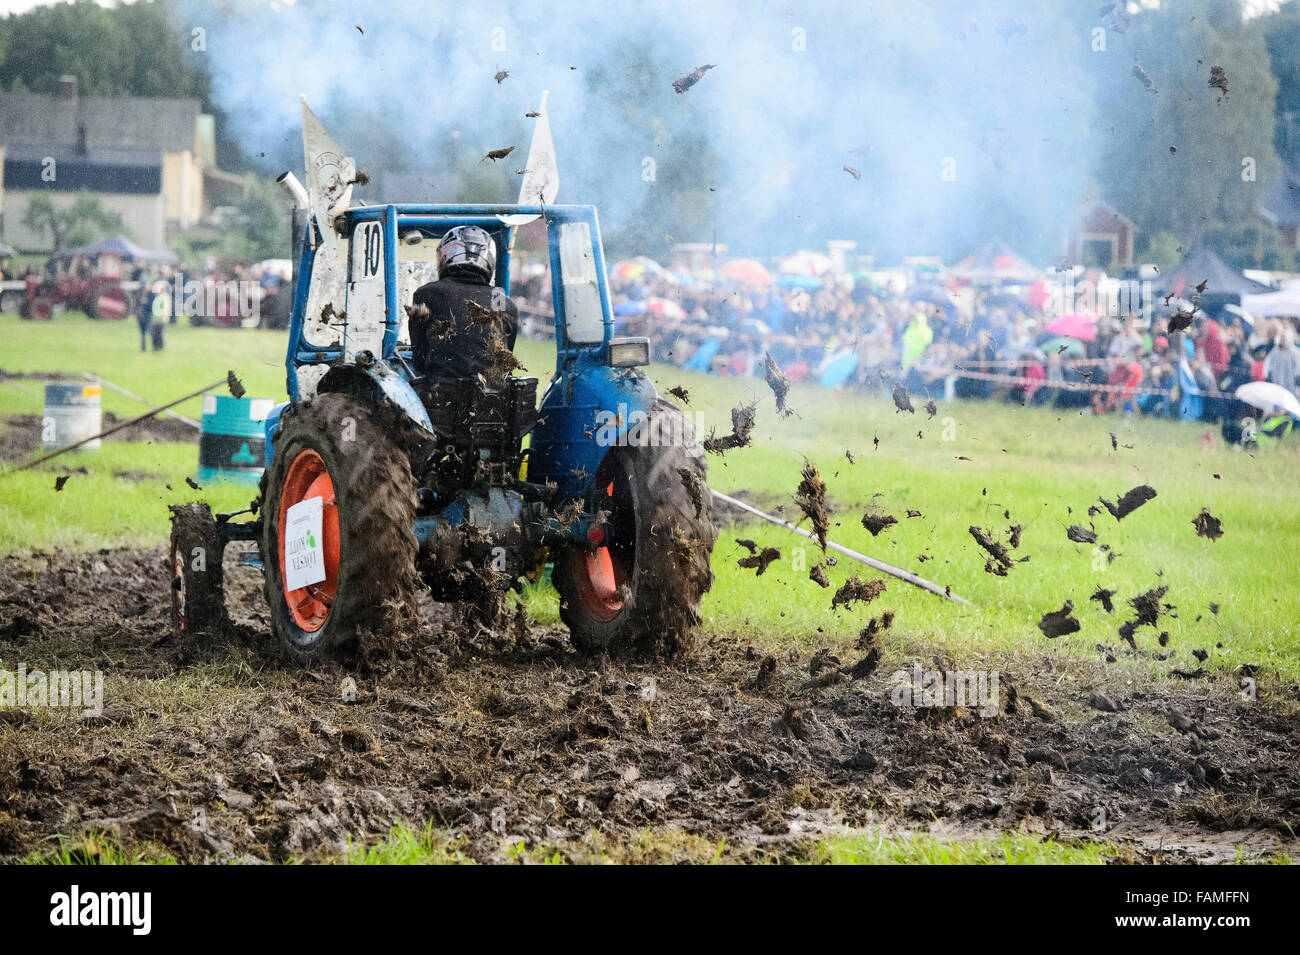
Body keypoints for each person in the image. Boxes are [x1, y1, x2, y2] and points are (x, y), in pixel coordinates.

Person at [409, 225, 518, 382]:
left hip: (440, 399)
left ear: (446, 255)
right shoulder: (501, 299)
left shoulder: (429, 293)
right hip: (495, 401)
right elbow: (505, 358)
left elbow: (419, 361)